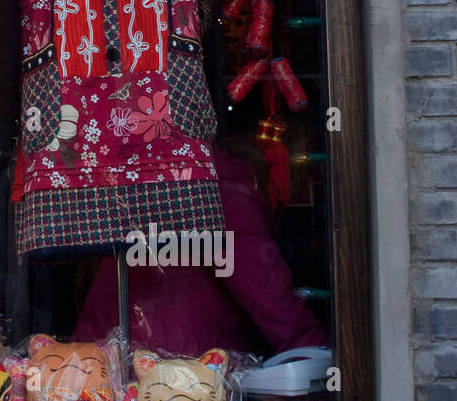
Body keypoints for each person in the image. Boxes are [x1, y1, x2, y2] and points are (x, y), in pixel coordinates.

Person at [74, 143, 329, 356]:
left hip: (109, 358)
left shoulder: (137, 168)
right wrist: (320, 358)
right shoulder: (218, 183)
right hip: (185, 369)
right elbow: (267, 293)